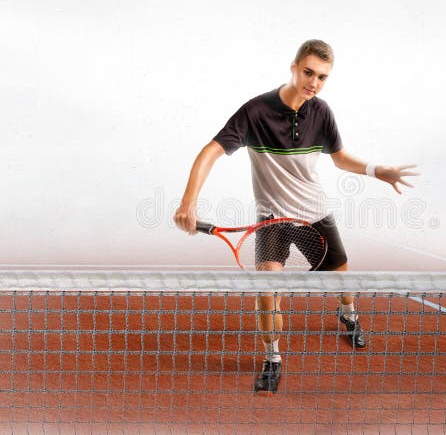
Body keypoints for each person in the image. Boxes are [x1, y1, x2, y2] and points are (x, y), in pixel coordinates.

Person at [173, 40, 417, 394]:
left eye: (322, 76)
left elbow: (339, 157)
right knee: (267, 291)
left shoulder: (322, 112)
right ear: (293, 67)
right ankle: (273, 359)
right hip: (272, 219)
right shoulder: (255, 112)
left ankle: (348, 315)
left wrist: (377, 170)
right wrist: (188, 203)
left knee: (343, 282)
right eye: (308, 72)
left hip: (315, 213)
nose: (314, 82)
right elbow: (211, 151)